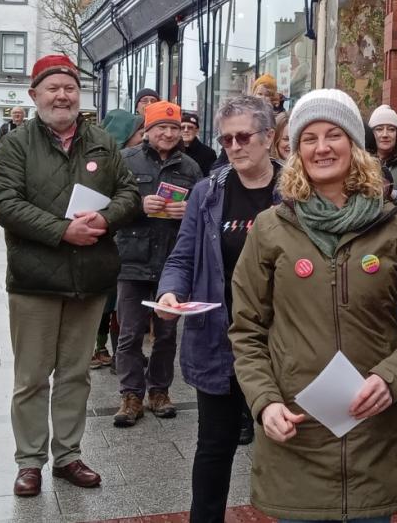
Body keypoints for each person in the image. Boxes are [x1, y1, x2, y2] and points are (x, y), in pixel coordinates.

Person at [228, 88, 397, 522]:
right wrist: (265, 402)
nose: (322, 147)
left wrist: (391, 378)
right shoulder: (270, 230)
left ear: (355, 145)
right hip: (296, 433)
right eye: (308, 138)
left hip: (374, 436)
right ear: (295, 150)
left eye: (334, 135)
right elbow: (246, 330)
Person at [0, 54, 140, 497]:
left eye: (69, 88)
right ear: (35, 96)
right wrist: (63, 231)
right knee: (32, 377)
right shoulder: (16, 144)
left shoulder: (101, 142)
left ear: (80, 95)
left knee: (76, 374)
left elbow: (130, 192)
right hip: (35, 279)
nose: (62, 95)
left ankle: (69, 455)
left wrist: (105, 218)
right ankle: (30, 461)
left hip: (89, 277)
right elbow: (5, 204)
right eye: (52, 88)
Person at [154, 95, 282, 522]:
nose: (234, 146)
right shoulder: (208, 192)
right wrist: (170, 292)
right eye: (226, 139)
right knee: (213, 445)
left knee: (287, 445)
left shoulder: (294, 192)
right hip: (218, 338)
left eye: (244, 136)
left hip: (282, 343)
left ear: (269, 137)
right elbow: (182, 257)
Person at [112, 101, 202, 427]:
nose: (167, 133)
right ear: (147, 131)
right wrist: (138, 205)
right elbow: (109, 205)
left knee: (166, 334)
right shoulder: (124, 161)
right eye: (160, 127)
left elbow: (204, 212)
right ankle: (130, 395)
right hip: (132, 260)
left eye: (173, 128)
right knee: (130, 333)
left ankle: (159, 391)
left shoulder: (190, 168)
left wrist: (189, 209)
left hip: (171, 262)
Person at [90, 108, 146, 371]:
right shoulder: (106, 162)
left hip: (122, 244)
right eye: (139, 132)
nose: (143, 138)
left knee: (116, 306)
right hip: (103, 243)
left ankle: (112, 352)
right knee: (103, 303)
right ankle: (97, 348)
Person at [181, 110, 218, 175]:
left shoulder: (208, 154)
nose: (186, 130)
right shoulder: (172, 150)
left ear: (197, 131)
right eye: (182, 127)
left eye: (190, 127)